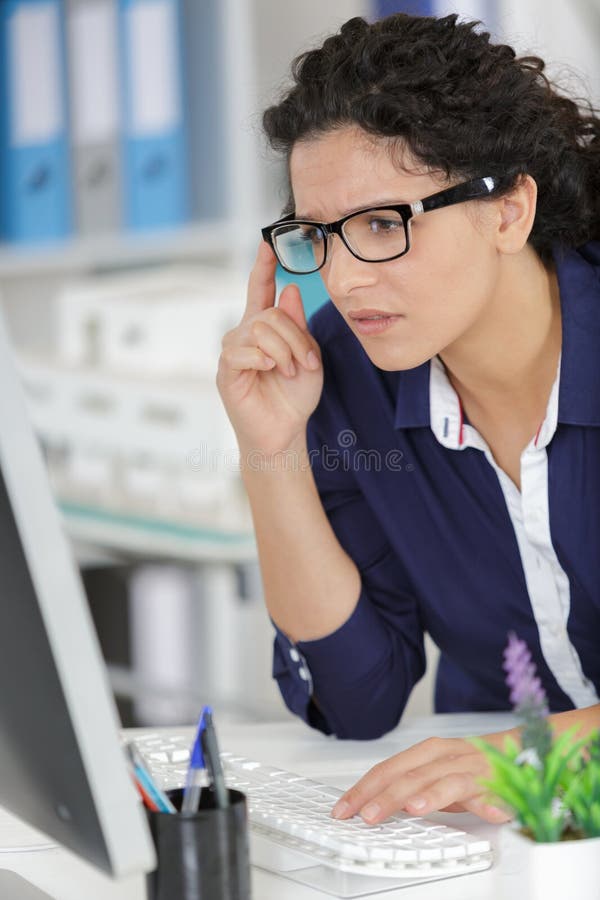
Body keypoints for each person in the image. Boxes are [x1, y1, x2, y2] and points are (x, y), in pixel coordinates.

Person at [216, 12, 600, 825]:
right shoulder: (342, 374)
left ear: (509, 211)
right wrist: (271, 450)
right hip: (504, 835)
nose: (343, 280)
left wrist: (530, 756)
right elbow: (357, 700)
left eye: (383, 225)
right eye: (320, 236)